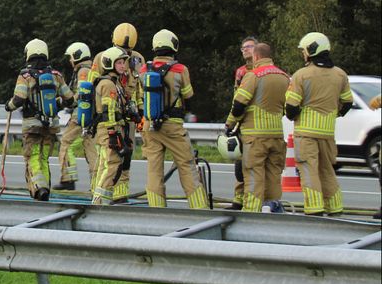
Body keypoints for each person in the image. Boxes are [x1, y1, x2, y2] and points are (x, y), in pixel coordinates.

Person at [285, 32, 353, 216]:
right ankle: (335, 209)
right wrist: (333, 114)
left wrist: (296, 115)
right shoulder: (340, 74)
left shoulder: (301, 75)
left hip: (306, 134)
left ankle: (314, 209)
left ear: (311, 50)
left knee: (309, 171)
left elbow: (291, 108)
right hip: (328, 133)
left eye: (304, 50)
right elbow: (347, 103)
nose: (303, 54)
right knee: (327, 171)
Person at [141, 30, 208, 209]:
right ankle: (199, 208)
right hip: (172, 125)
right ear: (174, 46)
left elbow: (140, 95)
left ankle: (156, 210)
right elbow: (189, 95)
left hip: (149, 125)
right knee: (187, 165)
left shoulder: (144, 69)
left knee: (154, 170)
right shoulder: (180, 69)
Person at [5, 39, 74, 201]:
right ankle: (46, 189)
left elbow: (19, 99)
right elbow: (70, 100)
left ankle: (39, 188)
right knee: (44, 158)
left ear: (28, 53)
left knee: (33, 157)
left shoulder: (25, 75)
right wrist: (56, 102)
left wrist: (8, 106)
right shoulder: (56, 75)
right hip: (51, 126)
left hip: (32, 125)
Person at [224, 43, 289, 213]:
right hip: (276, 134)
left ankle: (252, 211)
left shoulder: (253, 76)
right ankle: (272, 207)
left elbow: (239, 104)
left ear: (256, 57)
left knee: (254, 174)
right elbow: (289, 107)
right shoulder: (284, 76)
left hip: (255, 136)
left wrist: (230, 123)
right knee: (273, 174)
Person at [91, 47, 136, 205]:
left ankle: (98, 199)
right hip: (109, 128)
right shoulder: (108, 84)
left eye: (124, 62)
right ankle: (100, 201)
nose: (123, 66)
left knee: (105, 164)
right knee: (112, 164)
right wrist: (113, 133)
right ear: (110, 64)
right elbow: (108, 110)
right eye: (119, 62)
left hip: (113, 128)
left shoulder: (114, 83)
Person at [56, 42, 98, 193]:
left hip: (81, 115)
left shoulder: (82, 72)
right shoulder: (91, 69)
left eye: (71, 57)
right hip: (92, 116)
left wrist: (63, 102)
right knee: (91, 149)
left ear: (77, 55)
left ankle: (68, 179)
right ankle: (97, 185)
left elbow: (79, 95)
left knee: (66, 143)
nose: (70, 61)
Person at [229, 36, 258, 210]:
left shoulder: (261, 70)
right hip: (241, 122)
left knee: (252, 165)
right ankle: (238, 199)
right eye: (243, 48)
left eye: (249, 47)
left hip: (255, 124)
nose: (245, 50)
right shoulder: (240, 71)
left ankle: (252, 200)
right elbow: (236, 98)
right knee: (240, 165)